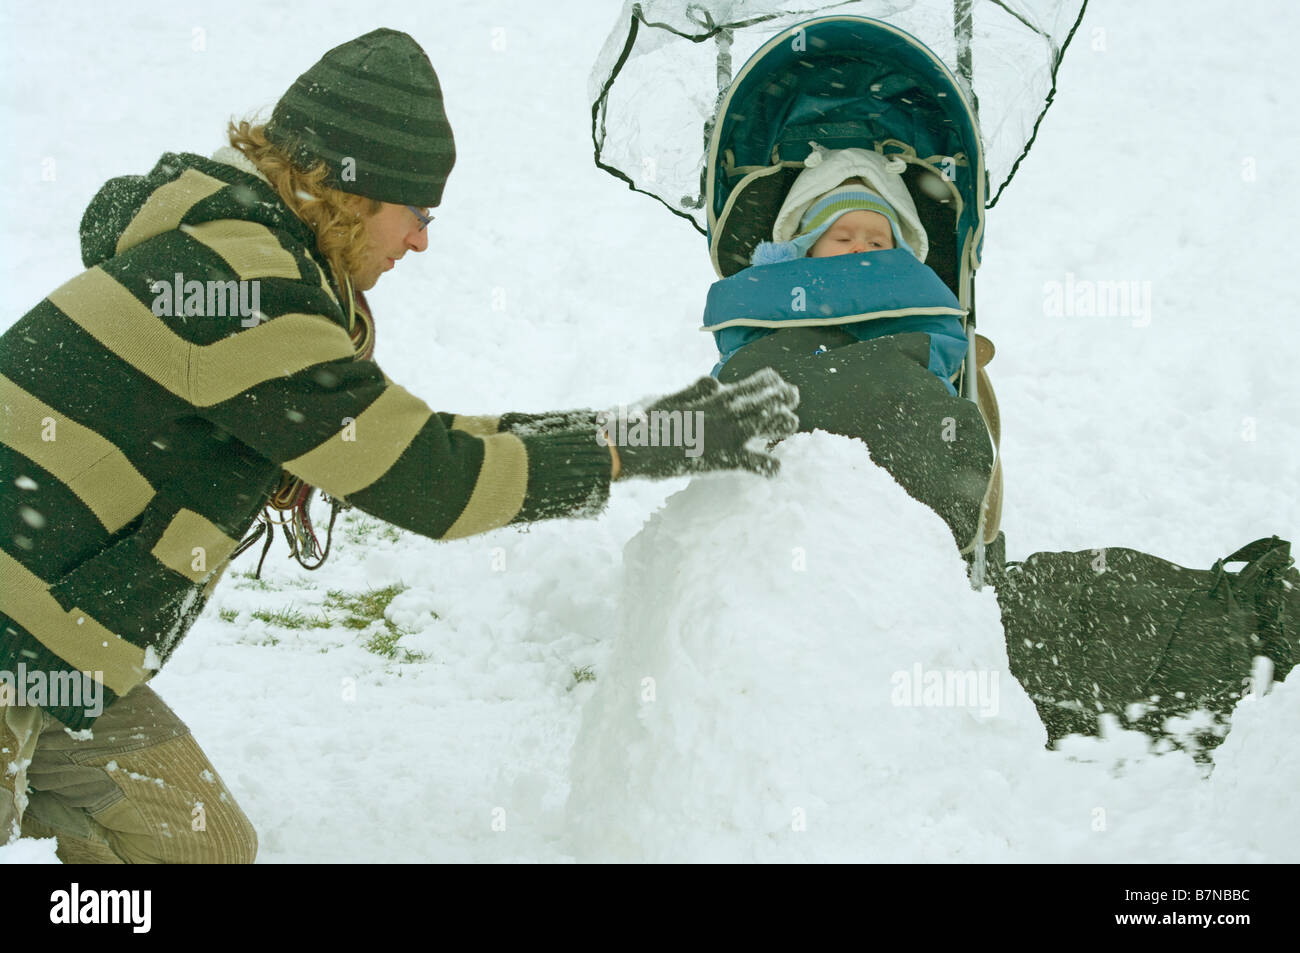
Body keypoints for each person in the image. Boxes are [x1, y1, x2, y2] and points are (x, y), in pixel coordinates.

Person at [0, 27, 799, 863]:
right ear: (351, 195)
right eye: (417, 213)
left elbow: (415, 443)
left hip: (47, 656)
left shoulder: (246, 257)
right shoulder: (237, 285)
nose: (420, 240)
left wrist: (637, 432)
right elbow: (433, 480)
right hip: (13, 637)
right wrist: (640, 444)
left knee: (193, 847)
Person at [705, 146, 995, 554]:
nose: (861, 248)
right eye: (842, 237)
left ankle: (920, 536)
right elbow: (738, 362)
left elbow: (937, 346)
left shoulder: (915, 292)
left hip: (895, 394)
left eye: (879, 242)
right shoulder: (768, 294)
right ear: (803, 249)